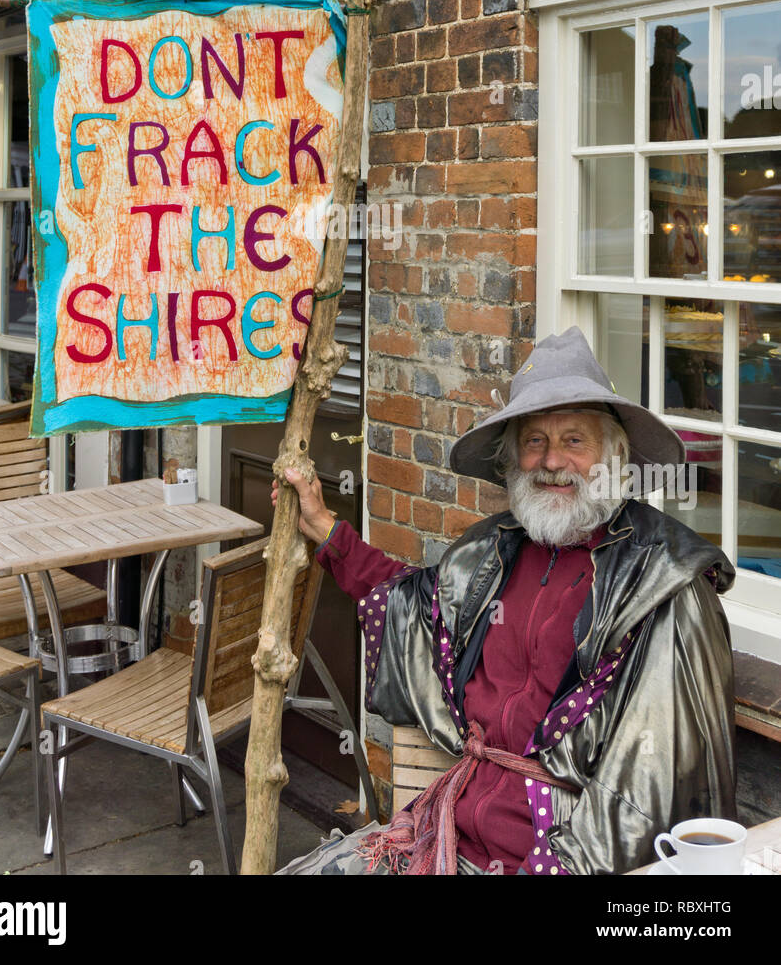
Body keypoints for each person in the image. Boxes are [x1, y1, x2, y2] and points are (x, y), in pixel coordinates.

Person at [275, 326, 737, 875]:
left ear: (614, 456)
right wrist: (328, 530)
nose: (551, 461)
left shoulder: (665, 586)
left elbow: (642, 794)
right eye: (534, 441)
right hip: (445, 831)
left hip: (549, 854)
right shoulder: (497, 551)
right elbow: (417, 605)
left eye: (574, 440)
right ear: (513, 458)